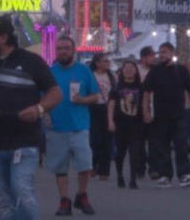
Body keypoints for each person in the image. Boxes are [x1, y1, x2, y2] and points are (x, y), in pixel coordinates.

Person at [0, 15, 62, 220]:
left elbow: (56, 93)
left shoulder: (31, 62)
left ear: (3, 37)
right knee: (4, 201)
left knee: (22, 191)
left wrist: (39, 109)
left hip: (24, 142)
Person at [48, 37, 99, 216]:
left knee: (85, 164)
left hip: (80, 126)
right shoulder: (51, 72)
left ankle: (82, 195)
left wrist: (83, 100)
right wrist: (45, 114)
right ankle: (65, 201)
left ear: (73, 50)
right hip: (57, 127)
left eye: (66, 48)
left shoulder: (84, 71)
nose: (63, 51)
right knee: (60, 167)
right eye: (60, 48)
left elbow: (96, 96)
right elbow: (41, 97)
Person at [142, 42, 190, 188]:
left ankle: (185, 175)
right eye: (160, 52)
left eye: (165, 52)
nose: (162, 55)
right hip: (160, 115)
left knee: (181, 145)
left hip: (179, 114)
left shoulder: (181, 71)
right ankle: (164, 175)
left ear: (173, 54)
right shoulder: (155, 71)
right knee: (162, 146)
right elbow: (146, 93)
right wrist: (146, 111)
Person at [108, 60, 144, 189]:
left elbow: (145, 103)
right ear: (122, 71)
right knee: (120, 152)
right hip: (120, 124)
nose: (128, 70)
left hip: (136, 124)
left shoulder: (140, 87)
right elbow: (111, 105)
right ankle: (120, 175)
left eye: (131, 67)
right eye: (126, 68)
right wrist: (110, 121)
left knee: (135, 152)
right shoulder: (117, 87)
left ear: (136, 70)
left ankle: (133, 179)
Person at [88, 53, 114, 181]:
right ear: (97, 63)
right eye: (104, 61)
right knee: (95, 139)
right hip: (93, 108)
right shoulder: (91, 75)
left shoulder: (111, 76)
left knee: (107, 141)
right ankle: (93, 165)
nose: (107, 63)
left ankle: (104, 170)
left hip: (108, 109)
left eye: (108, 61)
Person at [137, 46, 156, 179]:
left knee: (154, 141)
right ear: (143, 57)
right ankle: (140, 166)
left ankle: (153, 167)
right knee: (139, 141)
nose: (154, 58)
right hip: (138, 110)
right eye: (151, 56)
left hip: (154, 109)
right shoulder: (136, 70)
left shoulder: (156, 71)